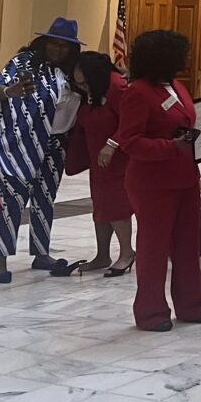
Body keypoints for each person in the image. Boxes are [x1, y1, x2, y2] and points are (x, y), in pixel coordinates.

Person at [116, 30, 201, 331]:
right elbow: (129, 141)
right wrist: (170, 147)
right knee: (154, 247)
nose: (185, 58)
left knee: (187, 244)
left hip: (185, 176)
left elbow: (187, 126)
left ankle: (191, 304)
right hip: (152, 180)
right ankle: (150, 311)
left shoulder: (178, 88)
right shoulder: (138, 92)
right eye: (180, 53)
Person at [0, 17, 83, 282]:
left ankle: (41, 252)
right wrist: (9, 91)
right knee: (11, 200)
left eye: (64, 46)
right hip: (20, 143)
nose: (58, 50)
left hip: (56, 143)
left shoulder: (74, 71)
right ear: (45, 42)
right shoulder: (23, 62)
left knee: (45, 199)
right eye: (54, 44)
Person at [66, 51, 134, 276]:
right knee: (101, 203)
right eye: (78, 84)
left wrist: (112, 144)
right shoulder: (92, 89)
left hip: (118, 155)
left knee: (116, 202)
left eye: (84, 83)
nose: (82, 88)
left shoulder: (117, 87)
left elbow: (131, 121)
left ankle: (126, 253)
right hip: (98, 156)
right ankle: (102, 254)